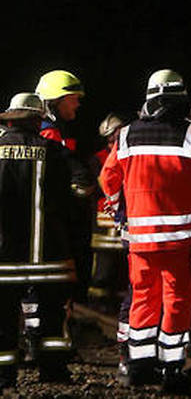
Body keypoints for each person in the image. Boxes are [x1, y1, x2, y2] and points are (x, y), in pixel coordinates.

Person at [98, 70, 191, 391]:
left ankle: (139, 368)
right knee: (177, 300)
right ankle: (171, 370)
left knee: (143, 297)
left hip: (140, 240)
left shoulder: (127, 134)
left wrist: (119, 209)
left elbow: (107, 179)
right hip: (180, 241)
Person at [0, 94, 79, 386]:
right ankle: (53, 370)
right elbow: (77, 192)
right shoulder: (55, 151)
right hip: (49, 254)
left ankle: (4, 375)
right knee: (51, 318)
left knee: (3, 318)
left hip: (4, 256)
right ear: (37, 120)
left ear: (10, 119)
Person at [35, 70, 96, 294]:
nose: (78, 105)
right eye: (74, 99)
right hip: (54, 223)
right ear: (56, 100)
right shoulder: (49, 135)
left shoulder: (57, 132)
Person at [88, 114, 128, 304]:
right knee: (103, 264)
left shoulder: (131, 154)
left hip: (125, 217)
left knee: (124, 264)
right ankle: (97, 300)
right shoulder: (98, 159)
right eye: (110, 140)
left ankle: (120, 299)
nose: (113, 143)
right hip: (104, 219)